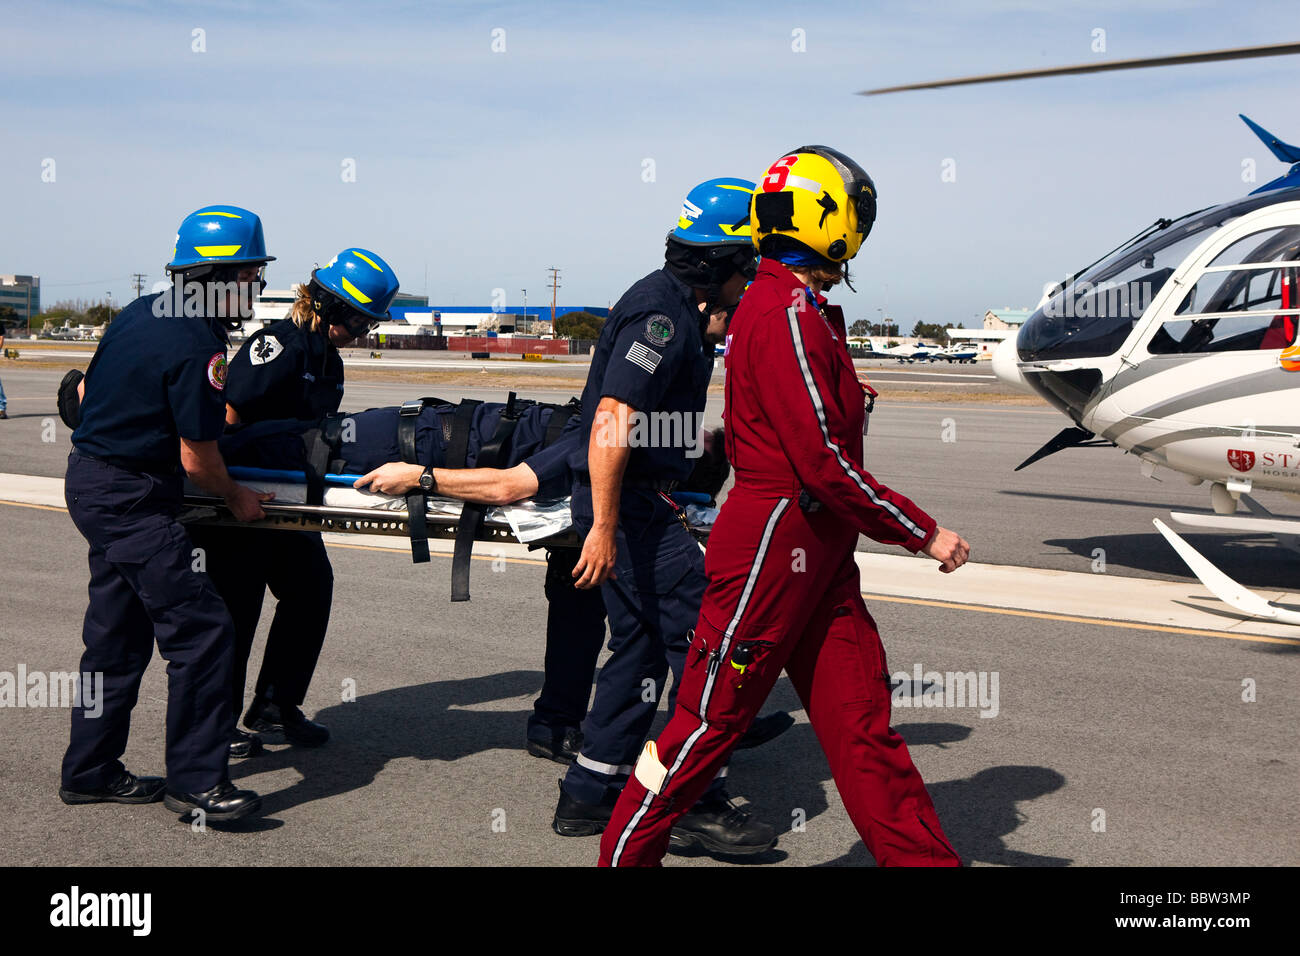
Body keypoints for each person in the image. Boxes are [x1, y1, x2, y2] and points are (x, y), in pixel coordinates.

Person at [599, 147, 972, 866]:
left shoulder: (796, 309)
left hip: (818, 558)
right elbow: (823, 465)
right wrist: (921, 532)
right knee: (705, 727)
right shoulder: (786, 315)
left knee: (863, 730)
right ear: (829, 221)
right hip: (774, 550)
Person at [553, 177, 779, 857]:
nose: (751, 284)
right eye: (749, 268)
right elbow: (613, 420)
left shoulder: (682, 306)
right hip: (628, 508)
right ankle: (692, 799)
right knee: (704, 640)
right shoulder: (662, 316)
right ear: (721, 263)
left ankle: (590, 794)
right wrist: (602, 524)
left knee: (642, 646)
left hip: (638, 500)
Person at [60, 204, 274, 823]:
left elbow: (84, 394)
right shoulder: (197, 342)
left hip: (95, 483)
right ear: (221, 275)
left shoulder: (139, 313)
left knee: (116, 638)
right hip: (133, 499)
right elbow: (197, 455)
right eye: (251, 276)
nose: (254, 290)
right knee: (204, 633)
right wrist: (237, 496)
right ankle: (197, 783)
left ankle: (91, 771)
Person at [189, 249, 399, 757]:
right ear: (329, 305)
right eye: (360, 321)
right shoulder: (278, 345)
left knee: (310, 590)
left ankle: (274, 707)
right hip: (244, 501)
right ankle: (216, 728)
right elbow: (230, 415)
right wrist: (231, 493)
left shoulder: (326, 357)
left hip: (289, 503)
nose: (364, 332)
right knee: (237, 613)